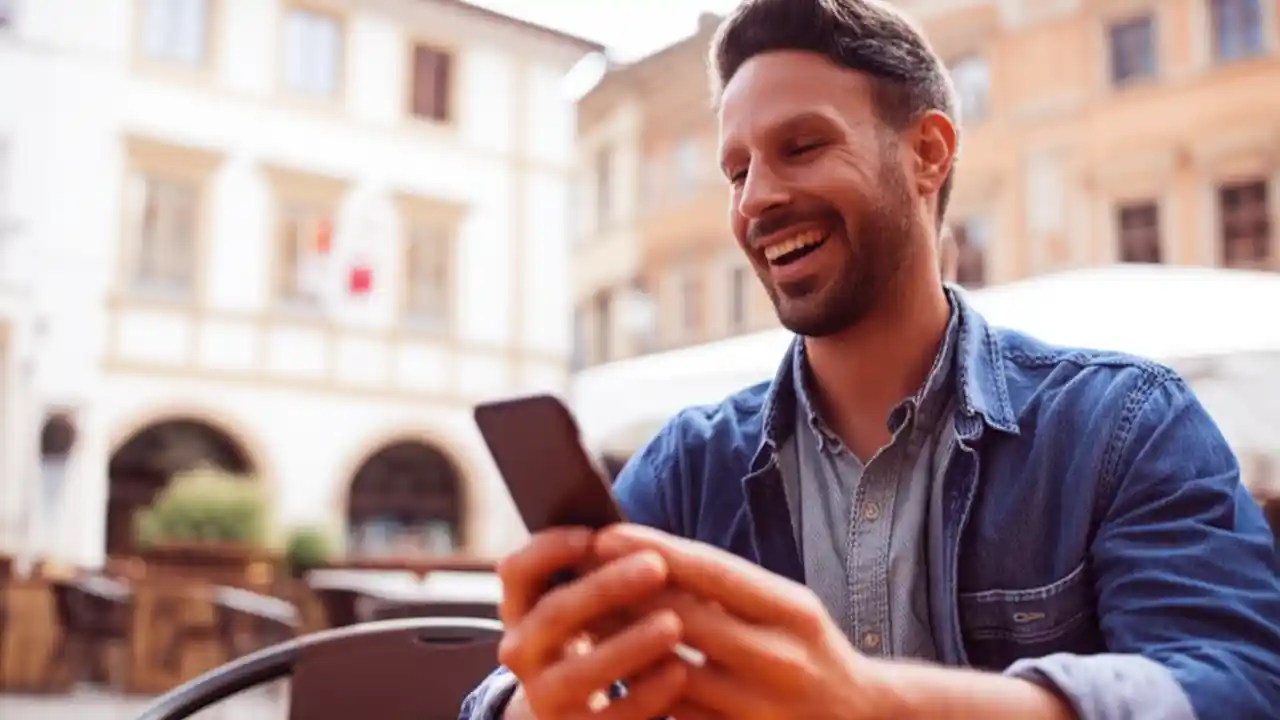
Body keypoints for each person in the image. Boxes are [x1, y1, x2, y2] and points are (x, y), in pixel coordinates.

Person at [461, 1, 1280, 718]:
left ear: (928, 153)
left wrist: (871, 703)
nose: (754, 200)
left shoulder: (1121, 427)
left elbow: (1238, 688)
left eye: (803, 145)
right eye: (736, 170)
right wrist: (539, 702)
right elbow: (494, 699)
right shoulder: (686, 467)